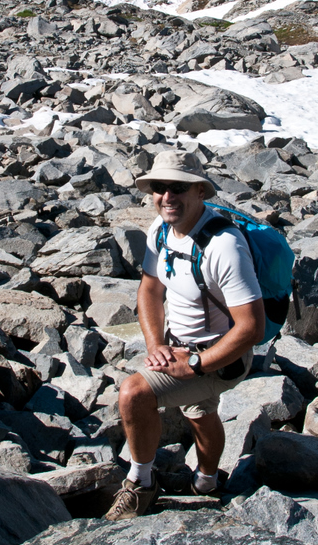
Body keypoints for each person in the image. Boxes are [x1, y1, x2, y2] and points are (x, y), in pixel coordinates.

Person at [106, 149, 265, 521]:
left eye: (178, 187)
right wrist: (156, 345)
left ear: (200, 192)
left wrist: (194, 365)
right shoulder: (161, 230)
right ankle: (207, 482)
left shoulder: (224, 246)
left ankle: (141, 484)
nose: (167, 196)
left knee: (134, 394)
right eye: (159, 187)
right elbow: (150, 289)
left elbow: (251, 327)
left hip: (222, 356)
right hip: (178, 345)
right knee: (199, 412)